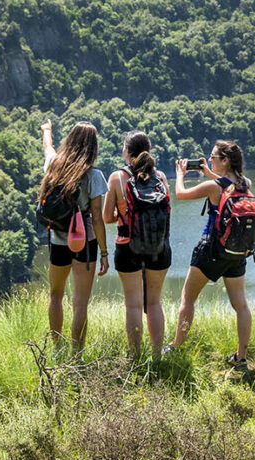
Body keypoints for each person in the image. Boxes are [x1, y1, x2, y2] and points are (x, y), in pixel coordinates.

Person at [166, 140, 253, 367]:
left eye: (214, 157)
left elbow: (181, 194)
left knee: (187, 299)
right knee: (241, 305)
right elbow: (228, 185)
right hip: (237, 252)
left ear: (225, 161)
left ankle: (176, 347)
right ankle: (241, 358)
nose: (210, 159)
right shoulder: (246, 183)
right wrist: (208, 172)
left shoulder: (213, 187)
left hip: (211, 249)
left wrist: (180, 174)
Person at [39, 119, 108, 352]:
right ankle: (76, 353)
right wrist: (105, 253)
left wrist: (47, 130)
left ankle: (57, 348)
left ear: (70, 141)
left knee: (56, 295)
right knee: (80, 303)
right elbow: (97, 217)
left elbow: (48, 148)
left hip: (58, 239)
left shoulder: (53, 164)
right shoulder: (94, 175)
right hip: (85, 244)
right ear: (93, 147)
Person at [102, 131, 171, 356]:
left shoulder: (117, 178)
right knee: (154, 303)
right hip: (159, 247)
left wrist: (122, 214)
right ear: (148, 150)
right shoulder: (160, 177)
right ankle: (157, 354)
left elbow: (106, 217)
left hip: (128, 246)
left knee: (133, 305)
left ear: (126, 151)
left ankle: (135, 357)